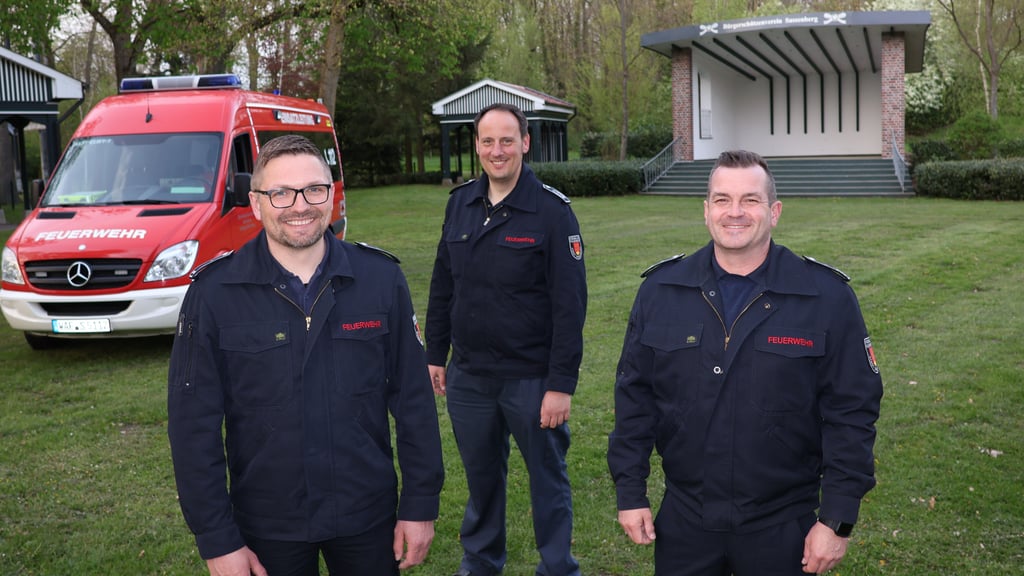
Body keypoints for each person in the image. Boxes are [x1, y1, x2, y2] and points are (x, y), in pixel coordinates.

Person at [167, 134, 444, 576]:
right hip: (266, 524)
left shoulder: (380, 279)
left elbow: (413, 401)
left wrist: (420, 503)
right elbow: (191, 426)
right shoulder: (214, 293)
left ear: (331, 195)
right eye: (280, 193)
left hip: (366, 514)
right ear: (256, 204)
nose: (300, 205)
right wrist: (217, 538)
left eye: (314, 189)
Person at [607, 149, 883, 576]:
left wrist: (837, 519)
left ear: (774, 212)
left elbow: (852, 413)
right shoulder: (661, 291)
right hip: (685, 521)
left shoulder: (825, 298)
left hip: (782, 525)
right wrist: (630, 491)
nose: (734, 213)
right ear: (705, 211)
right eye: (722, 200)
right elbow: (634, 400)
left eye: (750, 200)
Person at [425, 103, 587, 576]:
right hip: (470, 376)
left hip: (531, 380)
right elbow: (442, 285)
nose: (498, 151)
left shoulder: (552, 213)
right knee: (481, 479)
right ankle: (481, 561)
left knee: (547, 480)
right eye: (488, 141)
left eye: (507, 140)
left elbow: (569, 305)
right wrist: (437, 353)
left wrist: (560, 384)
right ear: (476, 146)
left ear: (526, 143)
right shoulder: (460, 204)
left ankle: (557, 566)